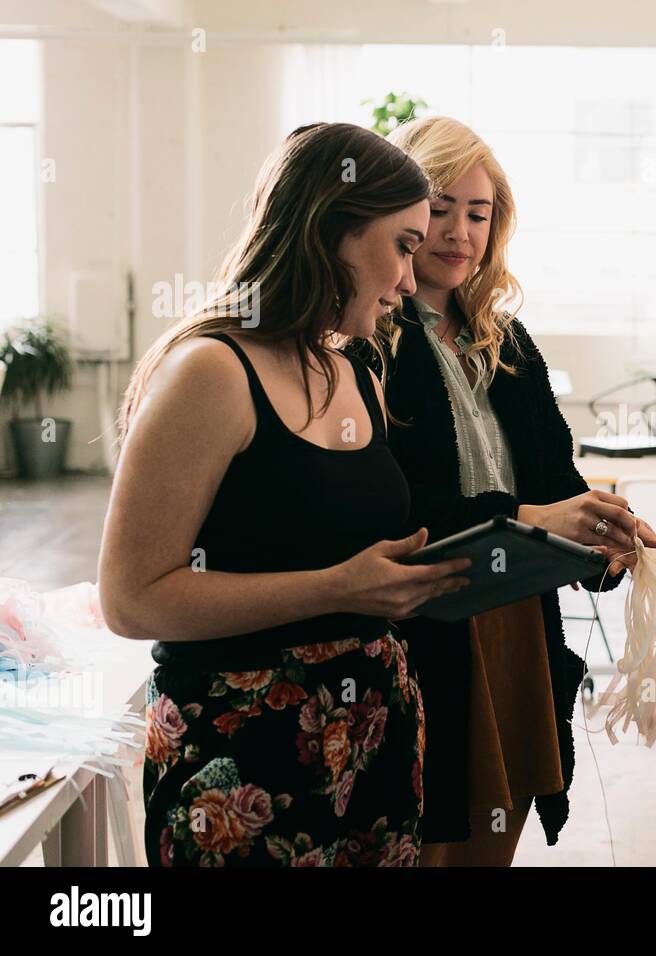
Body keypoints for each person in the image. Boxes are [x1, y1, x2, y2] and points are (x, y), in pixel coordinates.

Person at [99, 122, 469, 866]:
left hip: (371, 744)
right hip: (243, 758)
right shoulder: (212, 372)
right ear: (331, 229)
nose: (407, 281)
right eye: (401, 245)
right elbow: (132, 599)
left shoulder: (355, 371)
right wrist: (336, 588)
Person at [360, 116, 656, 865]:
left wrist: (604, 532)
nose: (459, 231)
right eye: (439, 207)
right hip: (427, 628)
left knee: (495, 838)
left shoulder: (506, 341)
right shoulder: (370, 336)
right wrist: (530, 517)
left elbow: (556, 480)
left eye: (479, 211)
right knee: (428, 841)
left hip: (518, 629)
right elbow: (395, 503)